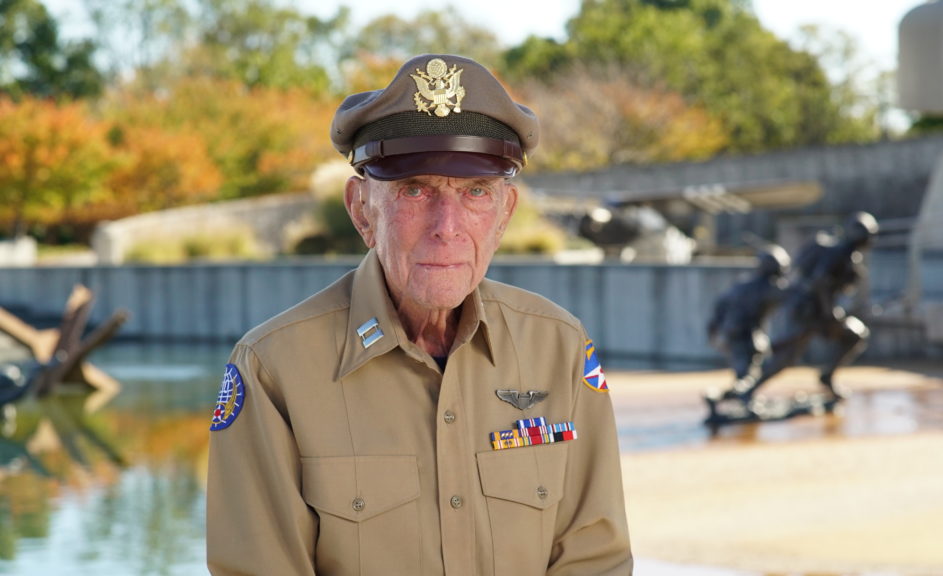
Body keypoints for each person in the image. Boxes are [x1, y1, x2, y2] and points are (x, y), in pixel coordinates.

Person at [206, 53, 632, 576]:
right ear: (362, 209)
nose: (446, 226)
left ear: (504, 214)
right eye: (415, 190)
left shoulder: (559, 348)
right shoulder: (274, 370)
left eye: (475, 192)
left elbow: (596, 561)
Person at [734, 212, 878, 405]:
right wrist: (830, 313)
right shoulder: (838, 253)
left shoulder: (848, 256)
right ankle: (748, 391)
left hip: (818, 311)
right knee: (787, 356)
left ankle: (827, 375)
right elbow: (820, 282)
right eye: (868, 234)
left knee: (855, 335)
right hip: (807, 311)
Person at [704, 244, 790, 403]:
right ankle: (719, 398)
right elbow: (788, 295)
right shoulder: (766, 287)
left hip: (736, 334)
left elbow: (720, 306)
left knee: (749, 372)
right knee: (746, 375)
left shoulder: (742, 285)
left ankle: (741, 399)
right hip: (743, 335)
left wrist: (713, 329)